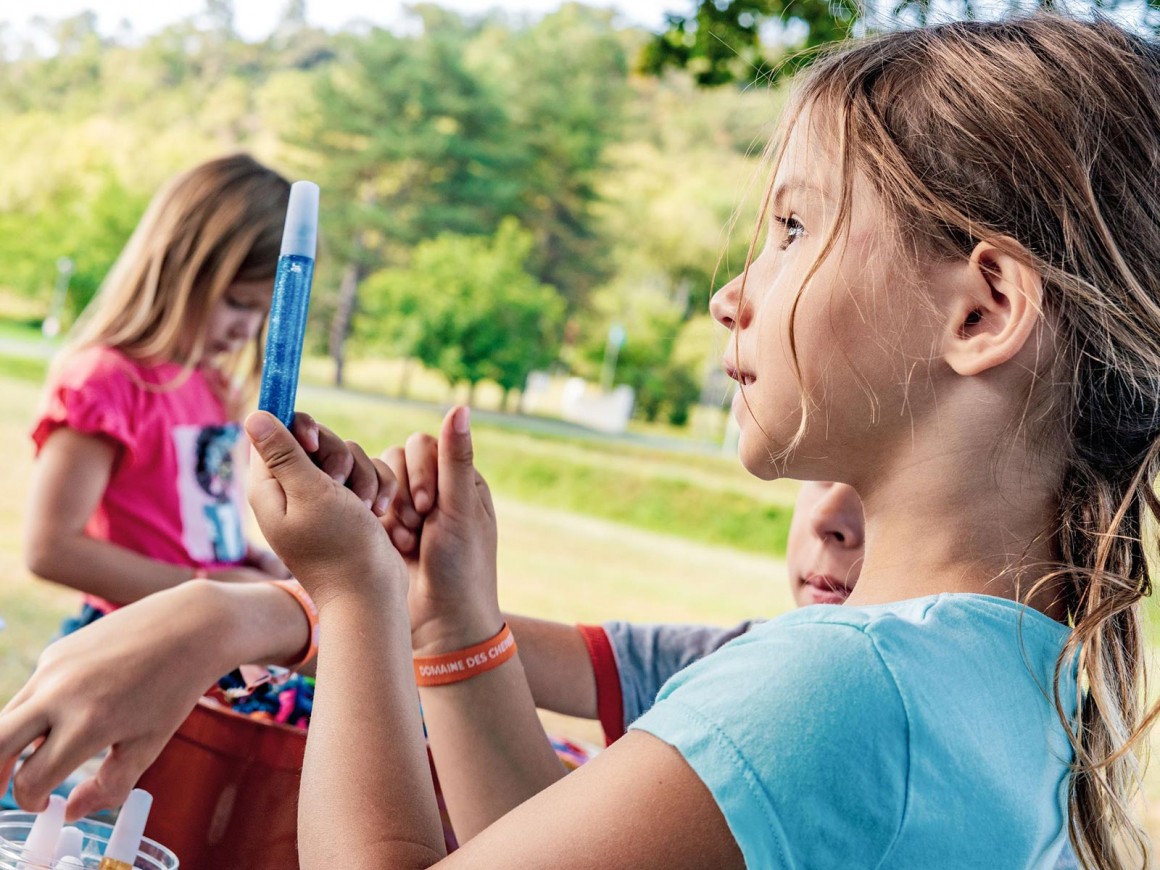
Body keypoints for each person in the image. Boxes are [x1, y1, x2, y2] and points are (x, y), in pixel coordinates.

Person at [1, 14, 1156, 868]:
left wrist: (355, 594)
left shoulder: (842, 687)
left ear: (980, 311)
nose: (730, 295)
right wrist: (447, 618)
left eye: (795, 226)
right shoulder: (1011, 684)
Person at [23, 154, 296, 629]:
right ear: (177, 266)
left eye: (262, 313)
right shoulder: (106, 383)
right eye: (236, 302)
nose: (245, 330)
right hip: (127, 646)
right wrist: (208, 589)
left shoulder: (214, 385)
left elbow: (191, 529)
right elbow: (50, 548)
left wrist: (250, 563)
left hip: (208, 643)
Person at [509, 480, 865, 745]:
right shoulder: (743, 660)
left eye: (880, 488)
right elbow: (598, 662)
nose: (825, 517)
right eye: (822, 469)